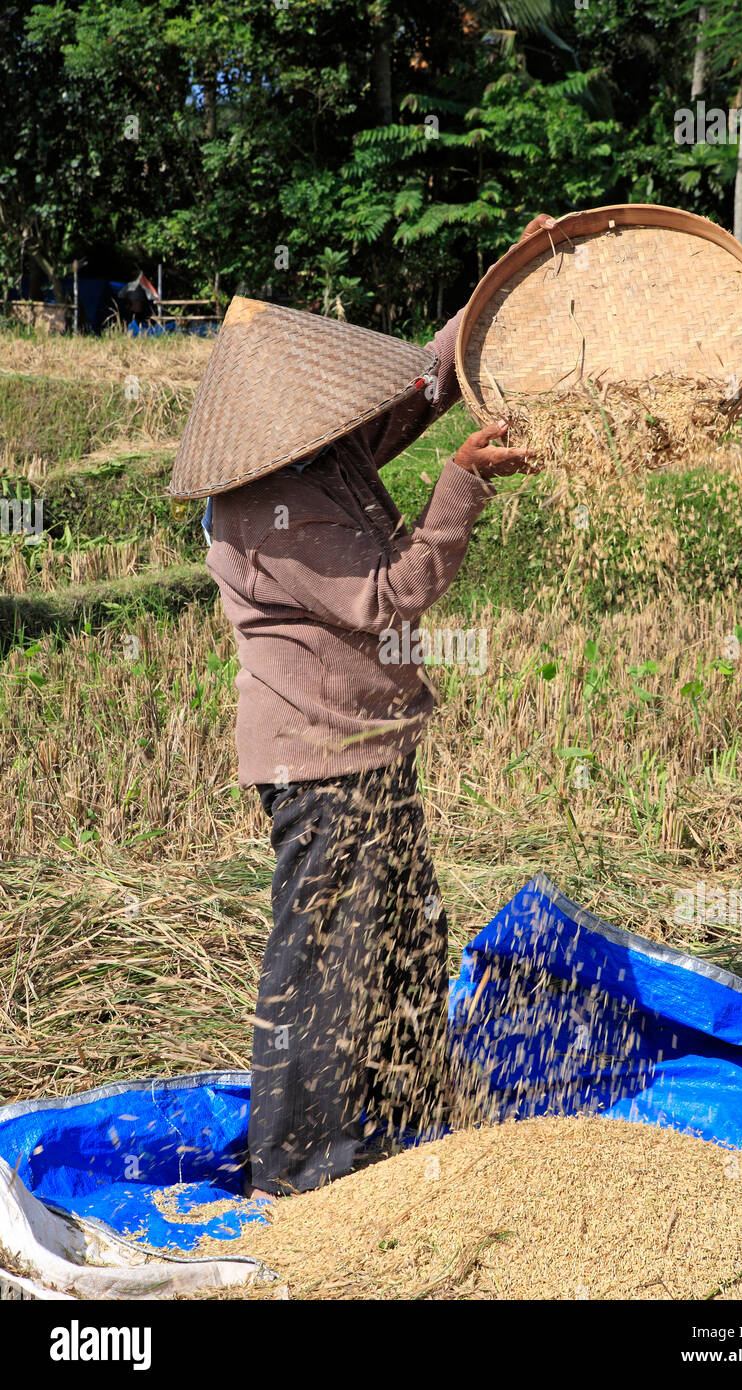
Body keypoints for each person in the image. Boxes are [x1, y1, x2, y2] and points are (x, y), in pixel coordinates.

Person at [171, 213, 557, 1199]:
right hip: (319, 765)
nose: (342, 414)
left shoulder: (320, 455)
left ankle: (404, 1124)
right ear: (269, 425)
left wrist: (498, 286)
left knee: (404, 939)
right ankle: (306, 1173)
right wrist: (462, 481)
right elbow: (388, 593)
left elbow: (425, 387)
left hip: (368, 749)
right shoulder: (264, 506)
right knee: (329, 965)